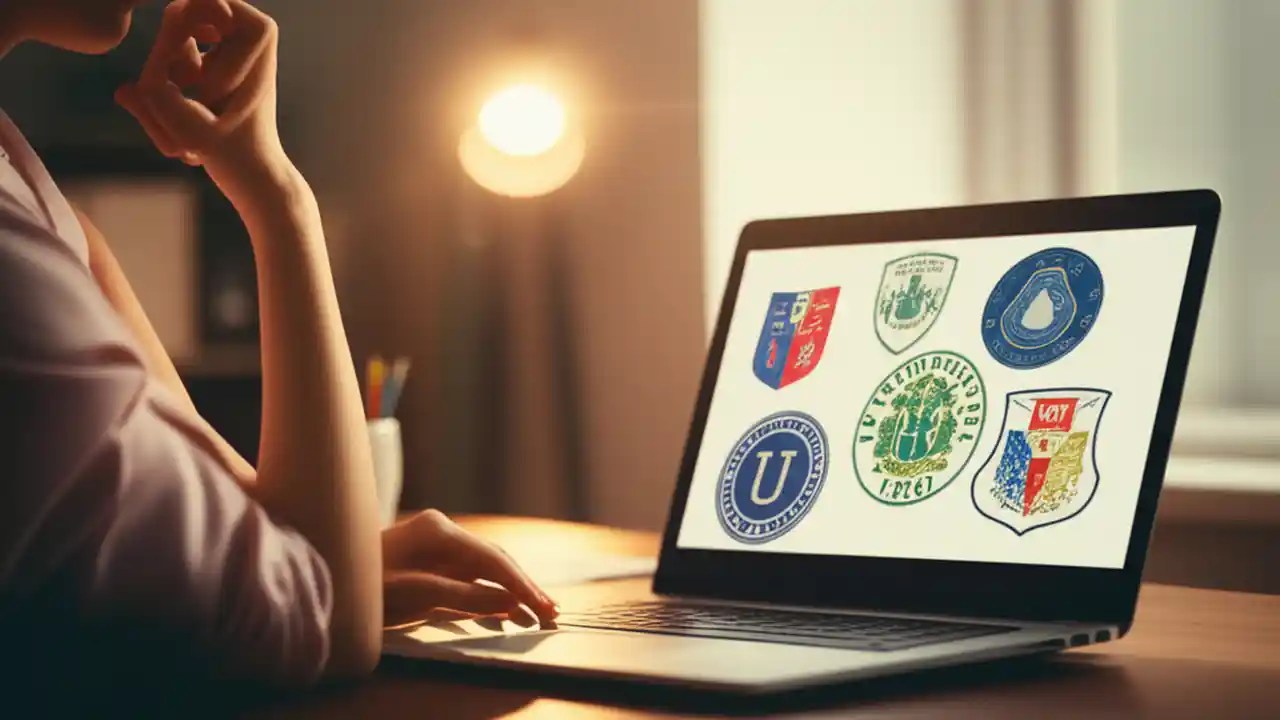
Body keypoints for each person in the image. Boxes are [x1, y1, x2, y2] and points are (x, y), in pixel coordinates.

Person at [0, 0, 558, 695]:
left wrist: (350, 563)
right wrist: (280, 198)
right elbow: (328, 628)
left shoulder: (31, 192)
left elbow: (282, 552)